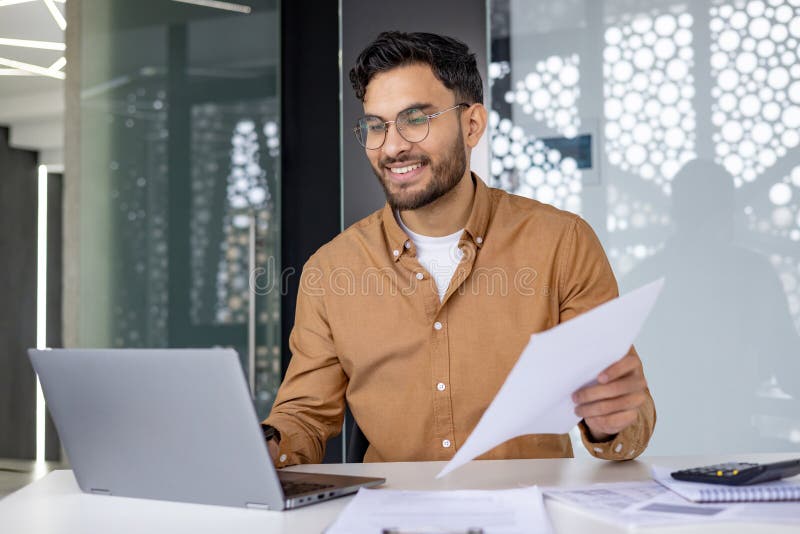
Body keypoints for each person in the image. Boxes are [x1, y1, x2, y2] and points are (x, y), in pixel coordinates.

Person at [261, 31, 655, 466]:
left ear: (472, 125)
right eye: (376, 126)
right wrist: (267, 446)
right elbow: (303, 417)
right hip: (390, 518)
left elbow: (625, 419)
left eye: (415, 119)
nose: (392, 147)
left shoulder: (562, 243)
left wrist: (610, 419)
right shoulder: (331, 270)